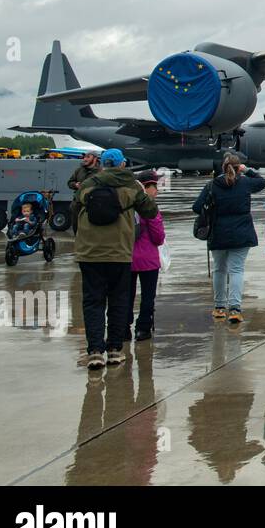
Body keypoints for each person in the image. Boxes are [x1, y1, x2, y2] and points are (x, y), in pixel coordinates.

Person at [71, 148, 158, 370]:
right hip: (119, 252)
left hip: (89, 252)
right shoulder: (130, 187)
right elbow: (150, 211)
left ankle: (95, 351)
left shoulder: (89, 184)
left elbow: (74, 208)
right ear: (121, 164)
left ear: (103, 163)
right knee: (119, 299)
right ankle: (114, 349)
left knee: (92, 301)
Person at [193, 153, 265, 325]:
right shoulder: (245, 183)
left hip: (218, 232)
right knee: (236, 270)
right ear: (238, 167)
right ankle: (235, 308)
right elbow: (262, 181)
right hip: (241, 232)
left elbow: (197, 207)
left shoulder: (212, 185)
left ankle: (219, 307)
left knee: (219, 269)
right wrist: (247, 170)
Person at [125, 170, 166, 342]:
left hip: (126, 257)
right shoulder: (150, 207)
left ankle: (123, 328)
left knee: (126, 295)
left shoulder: (126, 206)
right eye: (154, 186)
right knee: (148, 296)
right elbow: (158, 236)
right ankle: (143, 328)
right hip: (148, 259)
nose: (156, 191)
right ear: (146, 187)